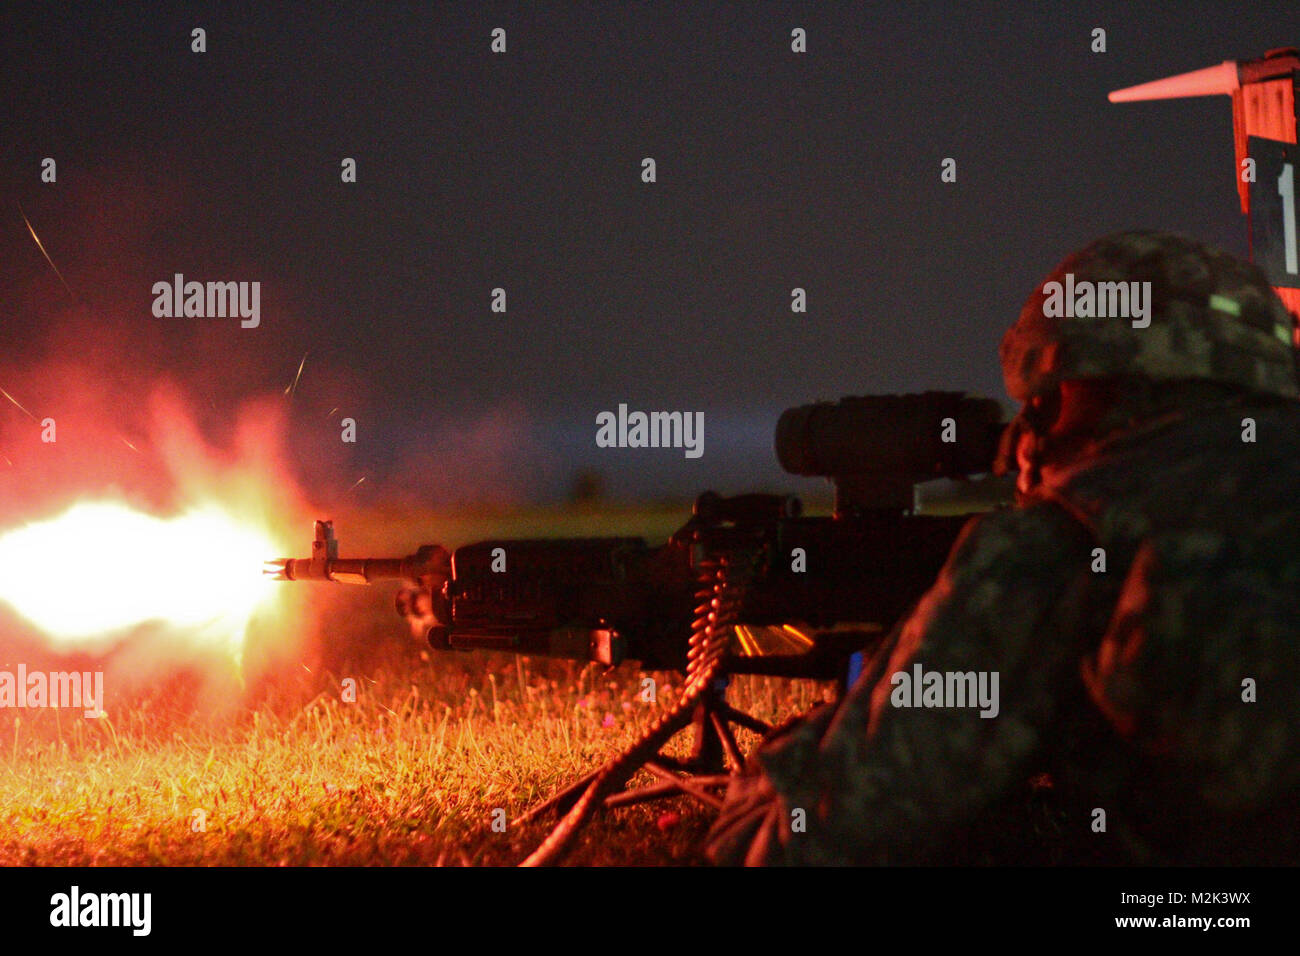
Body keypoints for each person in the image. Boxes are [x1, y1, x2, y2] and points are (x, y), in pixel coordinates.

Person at [707, 230, 1300, 865]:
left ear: (1071, 386)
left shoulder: (1063, 540)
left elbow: (810, 843)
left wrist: (818, 738)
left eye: (1036, 403)